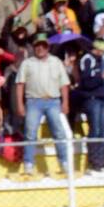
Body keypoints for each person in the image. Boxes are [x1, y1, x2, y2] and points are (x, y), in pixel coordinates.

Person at [14, 32, 73, 178]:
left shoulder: (56, 62)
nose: (40, 48)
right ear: (34, 47)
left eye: (43, 46)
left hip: (53, 100)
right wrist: (20, 104)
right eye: (37, 46)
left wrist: (65, 102)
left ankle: (64, 162)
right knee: (30, 133)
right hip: (33, 101)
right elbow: (20, 84)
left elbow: (64, 84)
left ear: (48, 47)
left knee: (59, 132)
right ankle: (28, 163)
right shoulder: (27, 63)